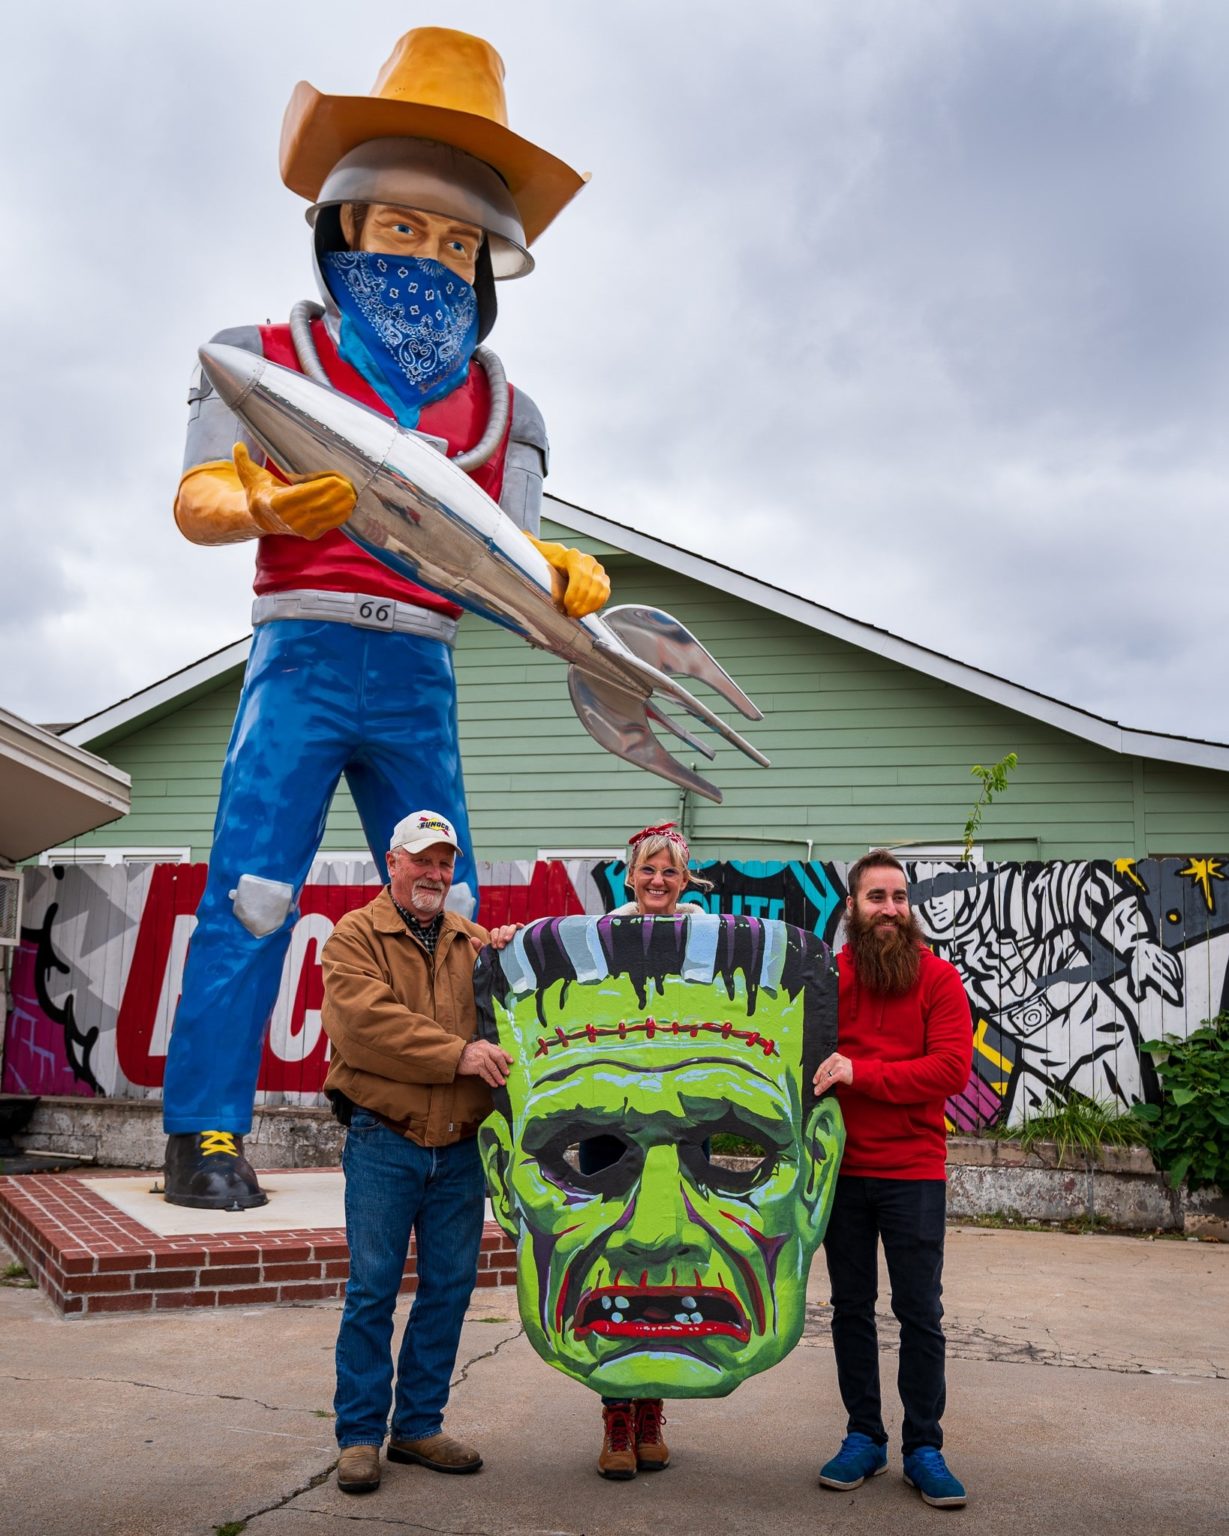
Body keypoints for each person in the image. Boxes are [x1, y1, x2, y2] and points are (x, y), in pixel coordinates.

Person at [161, 26, 608, 1209]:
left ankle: (465, 1121)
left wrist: (560, 573)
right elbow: (197, 499)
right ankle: (205, 1129)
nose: (427, 256)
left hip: (420, 667)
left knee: (453, 912)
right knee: (255, 890)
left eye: (455, 239)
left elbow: (504, 560)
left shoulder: (505, 409)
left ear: (483, 261)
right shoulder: (264, 358)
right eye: (404, 227)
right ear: (346, 221)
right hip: (301, 653)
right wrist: (257, 497)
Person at [477, 903, 843, 1478]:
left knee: (651, 1303)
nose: (655, 1234)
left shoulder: (701, 929)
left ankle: (647, 1415)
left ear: (817, 1170)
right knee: (636, 1297)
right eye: (648, 870)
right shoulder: (594, 933)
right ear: (502, 1177)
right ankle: (620, 1419)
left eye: (669, 872)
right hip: (602, 1162)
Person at [321, 809, 518, 1495]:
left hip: (460, 1148)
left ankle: (419, 1427)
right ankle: (357, 1438)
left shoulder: (474, 942)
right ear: (393, 862)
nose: (435, 873)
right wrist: (457, 1054)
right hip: (385, 1138)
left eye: (445, 861)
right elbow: (363, 1025)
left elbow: (513, 1017)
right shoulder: (355, 935)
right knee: (372, 1291)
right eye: (422, 859)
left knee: (448, 1290)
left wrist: (518, 954)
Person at [812, 849, 973, 1509]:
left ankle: (923, 1447)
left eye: (898, 897)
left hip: (913, 1172)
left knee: (919, 1313)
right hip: (840, 1174)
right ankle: (863, 1437)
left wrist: (858, 1074)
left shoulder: (937, 979)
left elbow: (948, 1073)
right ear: (851, 908)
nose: (888, 909)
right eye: (875, 897)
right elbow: (803, 1063)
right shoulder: (825, 978)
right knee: (850, 1309)